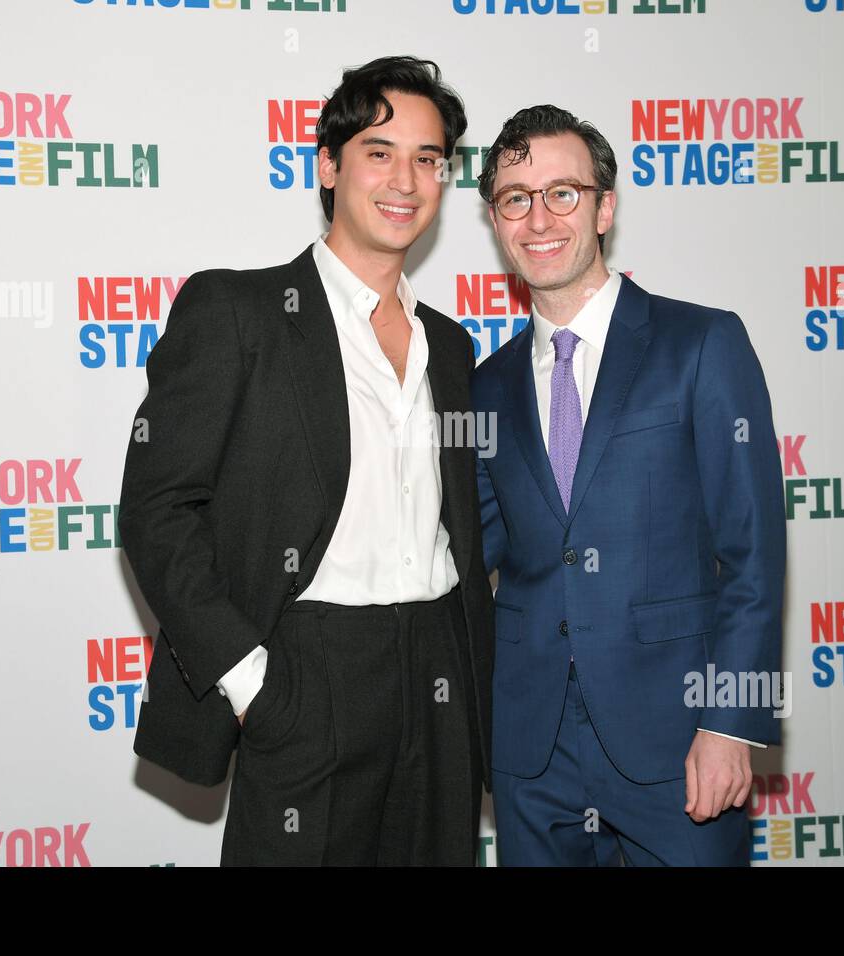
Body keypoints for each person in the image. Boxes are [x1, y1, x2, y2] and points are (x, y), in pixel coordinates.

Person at [118, 56, 494, 866]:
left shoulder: (454, 347)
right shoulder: (239, 312)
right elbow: (156, 512)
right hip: (307, 674)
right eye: (379, 151)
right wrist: (253, 683)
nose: (406, 179)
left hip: (438, 677)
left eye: (428, 160)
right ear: (328, 165)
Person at [471, 105, 786, 866]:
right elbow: (459, 554)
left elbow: (754, 555)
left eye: (563, 193)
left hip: (679, 741)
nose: (539, 217)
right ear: (495, 219)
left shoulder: (703, 344)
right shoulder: (484, 386)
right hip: (530, 750)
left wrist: (731, 725)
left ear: (605, 206)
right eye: (516, 197)